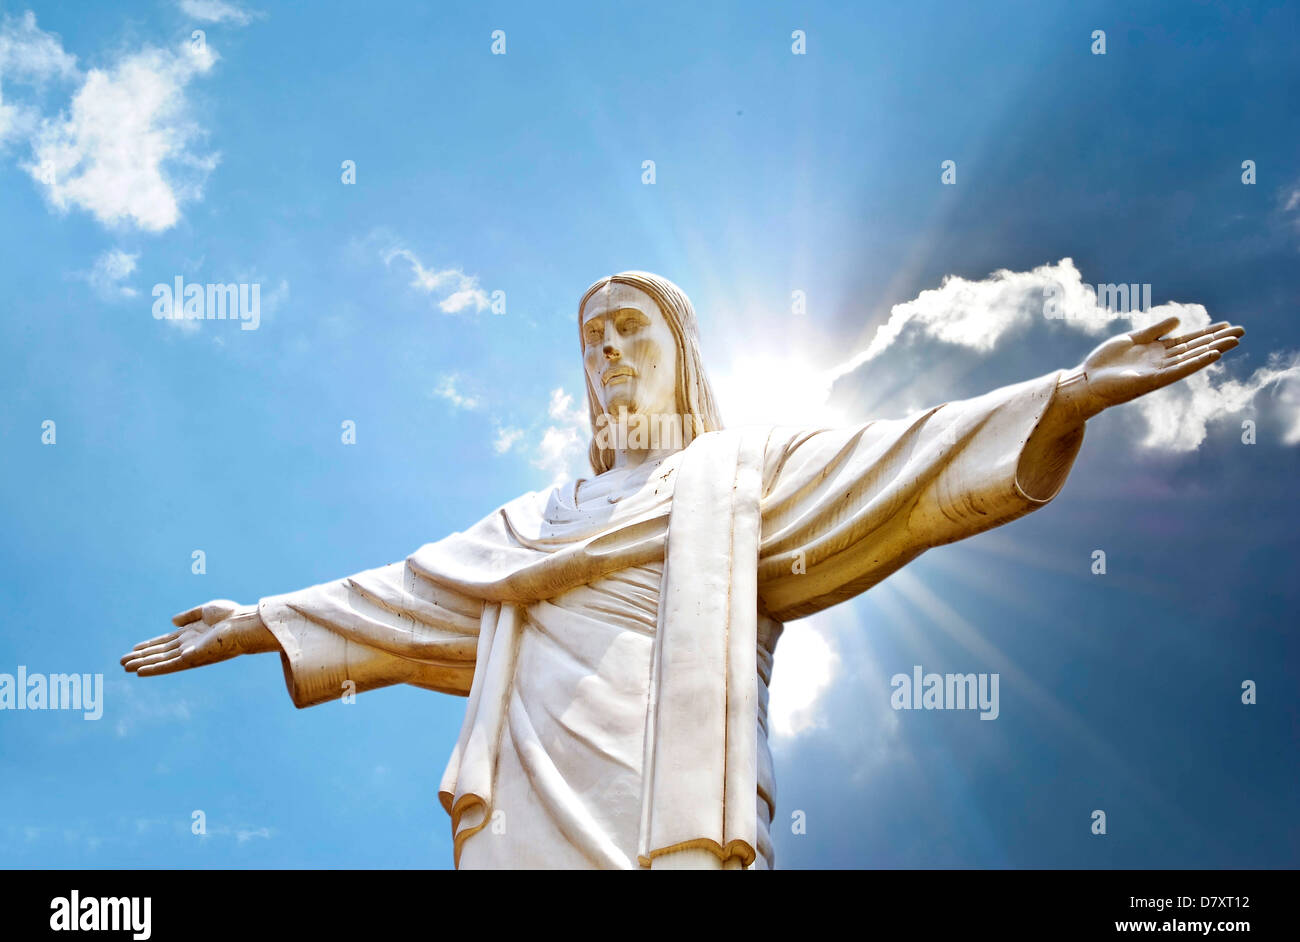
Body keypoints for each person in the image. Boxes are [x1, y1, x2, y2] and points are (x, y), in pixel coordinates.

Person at [122, 271, 1243, 869]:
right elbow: (409, 599)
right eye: (591, 341)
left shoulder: (741, 482)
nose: (608, 353)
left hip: (674, 789)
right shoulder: (534, 520)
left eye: (630, 332)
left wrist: (1061, 397)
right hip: (526, 793)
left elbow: (909, 466)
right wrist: (261, 620)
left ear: (682, 353)